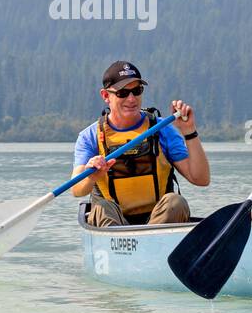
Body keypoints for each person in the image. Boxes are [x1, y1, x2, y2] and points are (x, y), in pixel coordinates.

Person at [71, 60, 210, 226]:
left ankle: (152, 242)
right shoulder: (90, 136)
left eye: (137, 91)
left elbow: (201, 179)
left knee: (175, 202)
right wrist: (91, 176)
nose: (131, 99)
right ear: (106, 96)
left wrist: (189, 131)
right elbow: (77, 189)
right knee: (102, 208)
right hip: (113, 224)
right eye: (123, 93)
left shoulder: (163, 129)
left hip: (158, 222)